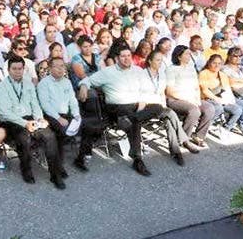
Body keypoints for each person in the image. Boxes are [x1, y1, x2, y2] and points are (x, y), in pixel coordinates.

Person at [78, 45, 184, 176]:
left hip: (137, 106)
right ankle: (138, 159)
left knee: (158, 107)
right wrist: (83, 86)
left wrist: (142, 101)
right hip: (118, 108)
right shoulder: (108, 72)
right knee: (135, 123)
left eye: (129, 56)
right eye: (123, 56)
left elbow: (145, 90)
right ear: (117, 58)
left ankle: (133, 119)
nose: (126, 59)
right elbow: (87, 80)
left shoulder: (138, 71)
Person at [0, 58, 65, 188]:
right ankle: (26, 170)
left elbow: (35, 104)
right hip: (12, 121)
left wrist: (39, 118)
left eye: (20, 69)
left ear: (24, 69)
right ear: (8, 70)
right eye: (14, 69)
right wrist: (24, 123)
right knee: (24, 138)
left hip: (30, 118)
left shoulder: (28, 84)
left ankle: (55, 175)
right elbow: (4, 113)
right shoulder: (1, 87)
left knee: (50, 136)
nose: (17, 72)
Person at [165, 45, 215, 148]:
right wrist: (189, 99)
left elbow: (196, 86)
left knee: (209, 108)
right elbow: (170, 92)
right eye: (187, 54)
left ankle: (198, 136)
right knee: (194, 111)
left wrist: (197, 98)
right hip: (176, 99)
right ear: (179, 57)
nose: (189, 56)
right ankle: (183, 138)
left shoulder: (191, 68)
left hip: (192, 98)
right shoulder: (171, 69)